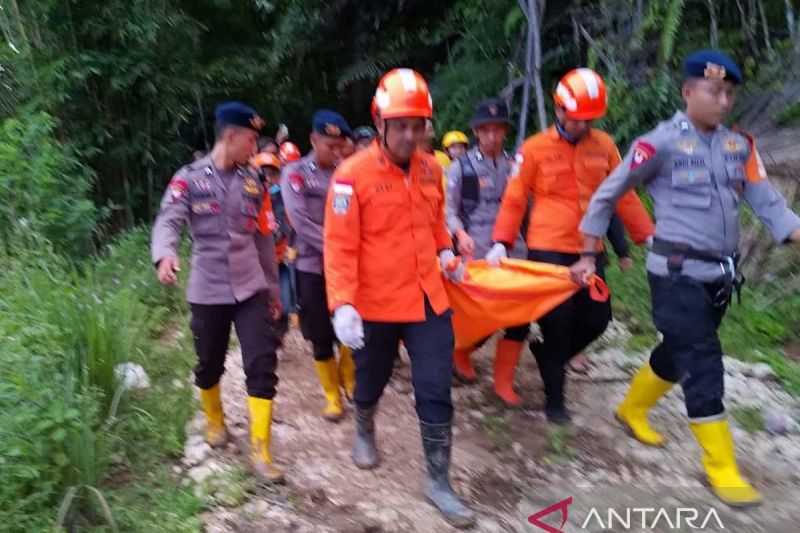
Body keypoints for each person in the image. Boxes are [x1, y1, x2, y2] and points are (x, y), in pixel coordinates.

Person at [575, 50, 800, 507]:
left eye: (730, 93)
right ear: (688, 92)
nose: (723, 100)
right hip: (674, 273)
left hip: (717, 275)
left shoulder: (741, 146)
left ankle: (631, 408)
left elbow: (768, 201)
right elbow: (608, 194)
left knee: (679, 351)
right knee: (703, 360)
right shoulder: (659, 143)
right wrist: (586, 252)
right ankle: (722, 468)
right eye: (714, 91)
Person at [324, 68, 476, 529]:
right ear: (381, 123)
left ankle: (438, 480)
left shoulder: (433, 168)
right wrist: (343, 304)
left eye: (419, 125)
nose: (411, 135)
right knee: (370, 379)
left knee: (435, 387)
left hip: (428, 298)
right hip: (376, 303)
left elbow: (433, 224)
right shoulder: (352, 177)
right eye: (402, 126)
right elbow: (340, 246)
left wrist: (447, 251)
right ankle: (365, 426)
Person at [488, 68, 655, 424]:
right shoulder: (533, 149)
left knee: (598, 318)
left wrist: (647, 236)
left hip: (590, 250)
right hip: (548, 250)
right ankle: (555, 403)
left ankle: (549, 357)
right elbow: (515, 198)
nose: (582, 125)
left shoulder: (605, 146)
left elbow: (622, 195)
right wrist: (501, 242)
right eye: (576, 118)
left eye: (589, 120)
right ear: (560, 110)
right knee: (558, 323)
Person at [151, 102, 284, 482]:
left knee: (261, 362)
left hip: (250, 287)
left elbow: (262, 239)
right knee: (208, 362)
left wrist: (274, 289)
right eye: (251, 139)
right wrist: (165, 255)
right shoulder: (189, 179)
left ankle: (261, 450)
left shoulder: (254, 182)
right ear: (230, 136)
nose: (255, 148)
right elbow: (169, 220)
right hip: (207, 288)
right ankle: (215, 422)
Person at [445, 98, 529, 406]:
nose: (492, 136)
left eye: (498, 130)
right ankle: (461, 351)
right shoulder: (460, 168)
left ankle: (504, 382)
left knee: (521, 316)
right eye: (486, 130)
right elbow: (448, 211)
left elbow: (524, 206)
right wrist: (460, 233)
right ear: (477, 132)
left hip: (514, 250)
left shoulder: (514, 166)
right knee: (483, 315)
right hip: (476, 250)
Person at [281, 109, 356, 422]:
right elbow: (299, 220)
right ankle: (331, 396)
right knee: (321, 333)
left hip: (348, 267)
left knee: (352, 327)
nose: (337, 152)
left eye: (341, 147)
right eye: (330, 145)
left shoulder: (348, 173)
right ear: (313, 140)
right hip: (312, 266)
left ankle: (350, 380)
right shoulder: (295, 173)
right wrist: (336, 243)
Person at [252, 152, 295, 340]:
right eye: (264, 173)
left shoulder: (283, 198)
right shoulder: (247, 200)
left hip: (279, 261)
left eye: (272, 174)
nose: (268, 179)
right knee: (259, 308)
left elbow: (291, 224)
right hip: (256, 266)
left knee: (284, 304)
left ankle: (279, 337)